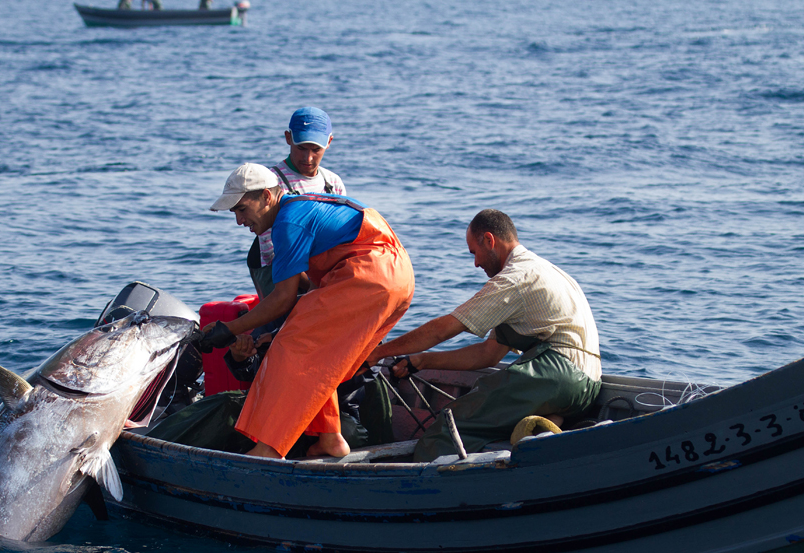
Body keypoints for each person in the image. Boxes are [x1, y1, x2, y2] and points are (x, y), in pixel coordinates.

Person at [202, 163, 414, 459]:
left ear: (266, 196)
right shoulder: (304, 208)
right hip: (398, 277)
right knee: (320, 355)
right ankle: (330, 438)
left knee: (293, 349)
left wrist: (228, 328)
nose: (239, 221)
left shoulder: (288, 222)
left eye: (241, 209)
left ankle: (268, 448)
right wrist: (276, 331)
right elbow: (313, 290)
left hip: (370, 275)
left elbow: (283, 298)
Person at [367, 209, 601, 462]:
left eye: (474, 253)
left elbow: (444, 329)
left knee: (448, 428)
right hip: (587, 387)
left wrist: (378, 353)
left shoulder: (513, 280)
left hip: (558, 375)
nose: (476, 263)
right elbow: (487, 355)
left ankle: (424, 479)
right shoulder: (545, 270)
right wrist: (421, 361)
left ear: (489, 240)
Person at [247, 107, 347, 301]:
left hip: (321, 279)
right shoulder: (271, 183)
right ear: (288, 138)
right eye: (301, 148)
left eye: (316, 149)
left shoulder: (333, 184)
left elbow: (341, 244)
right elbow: (271, 252)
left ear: (329, 142)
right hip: (281, 277)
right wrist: (315, 288)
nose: (308, 158)